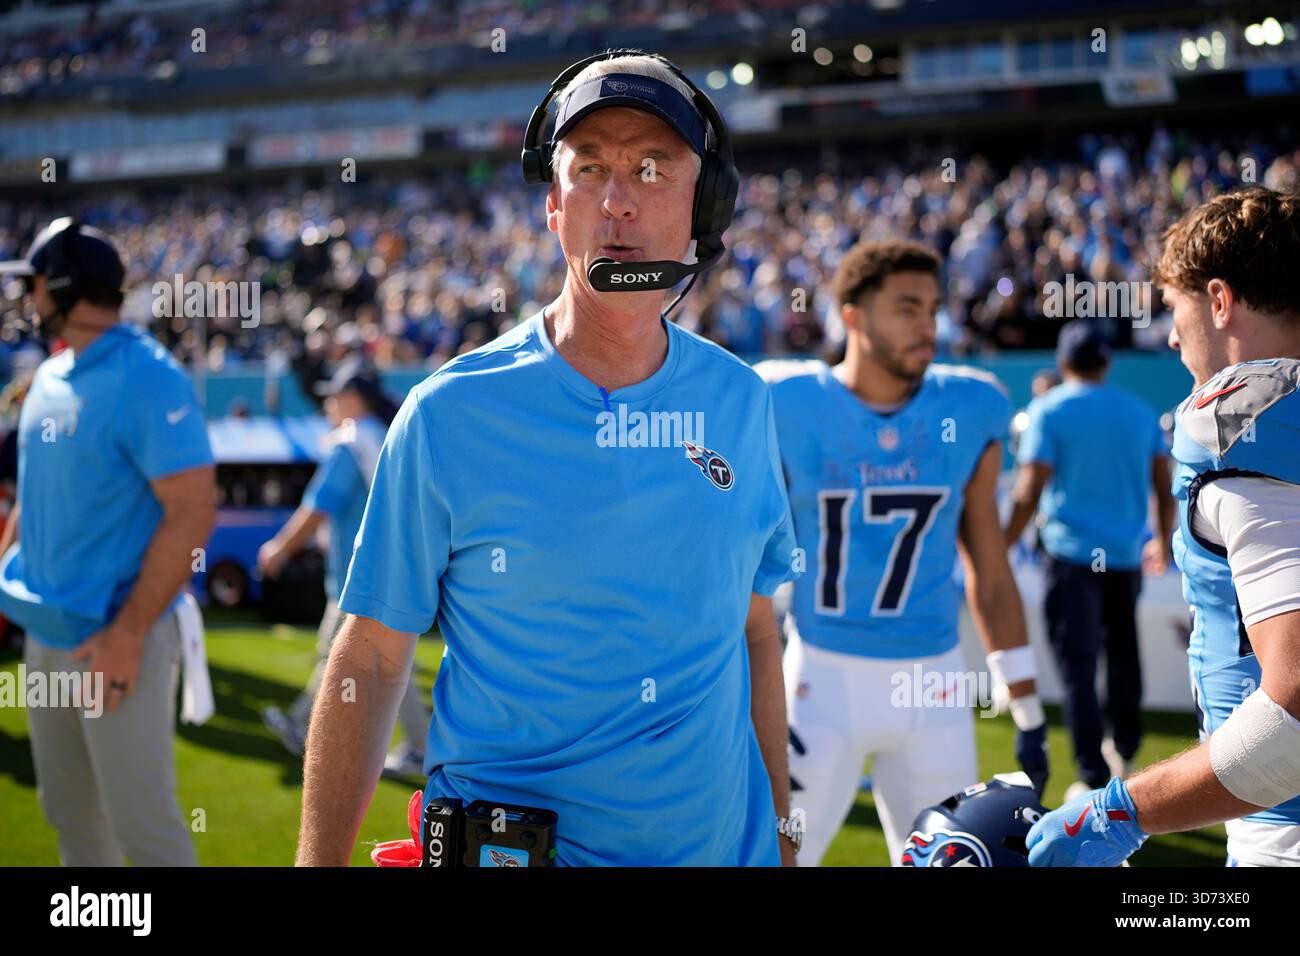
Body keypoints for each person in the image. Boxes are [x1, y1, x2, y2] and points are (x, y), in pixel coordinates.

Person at [295, 50, 802, 867]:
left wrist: (780, 836)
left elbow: (755, 632)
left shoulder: (740, 402)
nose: (617, 200)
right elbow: (376, 653)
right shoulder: (448, 414)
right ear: (552, 205)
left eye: (651, 168)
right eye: (589, 167)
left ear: (705, 203)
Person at [1028, 186, 1300, 867]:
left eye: (1175, 310)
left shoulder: (1242, 425)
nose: (1173, 336)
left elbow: (1295, 710)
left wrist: (1122, 810)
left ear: (1218, 299)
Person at [757, 239, 1048, 867]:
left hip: (935, 686)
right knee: (776, 857)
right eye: (907, 309)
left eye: (934, 308)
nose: (928, 326)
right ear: (853, 316)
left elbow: (989, 569)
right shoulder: (787, 403)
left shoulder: (970, 406)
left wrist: (1023, 699)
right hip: (820, 679)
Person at [0, 218, 216, 865]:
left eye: (33, 285)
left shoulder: (147, 377)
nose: (27, 300)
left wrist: (127, 635)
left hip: (115, 640)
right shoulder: (49, 376)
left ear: (61, 285)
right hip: (48, 635)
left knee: (143, 832)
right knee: (70, 821)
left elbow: (192, 511)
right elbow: (32, 502)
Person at [1004, 320, 1174, 798]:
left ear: (1063, 364)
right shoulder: (1139, 414)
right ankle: (1124, 749)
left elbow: (1028, 490)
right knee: (1122, 657)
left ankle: (1092, 774)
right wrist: (1162, 540)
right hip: (1121, 559)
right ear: (1106, 362)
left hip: (1070, 557)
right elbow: (1164, 489)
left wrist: (999, 547)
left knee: (1078, 664)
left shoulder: (1048, 410)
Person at [259, 359, 429, 777]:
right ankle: (421, 745)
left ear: (353, 398)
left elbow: (318, 507)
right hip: (391, 568)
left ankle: (304, 727)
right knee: (384, 659)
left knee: (340, 654)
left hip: (359, 574)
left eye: (335, 395)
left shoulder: (351, 442)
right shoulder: (385, 436)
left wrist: (279, 548)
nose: (329, 404)